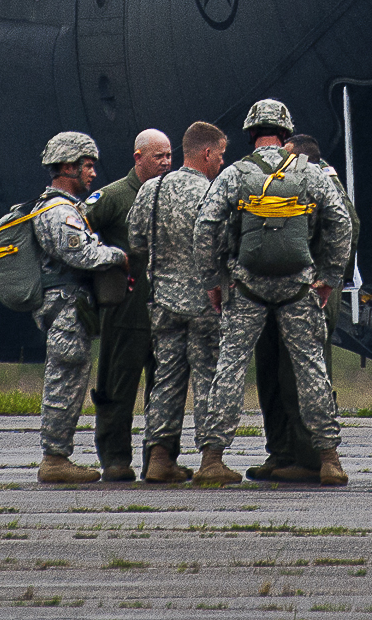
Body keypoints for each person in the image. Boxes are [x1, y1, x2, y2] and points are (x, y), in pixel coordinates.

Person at [189, 98, 352, 487]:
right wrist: (329, 276)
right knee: (311, 370)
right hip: (298, 287)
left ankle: (212, 459)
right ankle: (329, 459)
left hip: (247, 287)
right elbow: (341, 223)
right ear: (284, 132)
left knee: (229, 369)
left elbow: (205, 228)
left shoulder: (234, 174)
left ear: (250, 133)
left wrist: (213, 281)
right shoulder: (310, 173)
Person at [28, 129, 129, 485]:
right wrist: (118, 256)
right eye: (87, 166)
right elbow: (80, 253)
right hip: (67, 308)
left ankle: (57, 455)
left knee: (69, 377)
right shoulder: (59, 212)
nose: (93, 174)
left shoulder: (63, 208)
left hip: (71, 307)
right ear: (68, 168)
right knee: (65, 380)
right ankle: (55, 459)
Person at [134, 120, 227, 483]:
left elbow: (137, 240)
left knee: (166, 380)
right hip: (207, 304)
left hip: (163, 303)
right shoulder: (215, 192)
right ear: (206, 153)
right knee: (208, 378)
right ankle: (211, 460)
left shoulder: (152, 191)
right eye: (219, 155)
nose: (221, 162)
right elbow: (223, 245)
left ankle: (159, 459)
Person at [82, 128, 173, 482]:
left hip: (167, 309)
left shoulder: (173, 194)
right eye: (158, 157)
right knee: (117, 386)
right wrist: (105, 267)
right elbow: (75, 229)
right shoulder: (116, 196)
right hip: (125, 310)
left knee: (165, 386)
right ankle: (115, 459)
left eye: (169, 156)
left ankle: (160, 459)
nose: (166, 163)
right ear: (138, 158)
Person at [245, 133, 335, 482]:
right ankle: (281, 451)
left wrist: (326, 276)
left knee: (301, 375)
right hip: (275, 292)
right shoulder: (281, 181)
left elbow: (347, 227)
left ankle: (310, 455)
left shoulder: (321, 179)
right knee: (271, 372)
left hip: (309, 292)